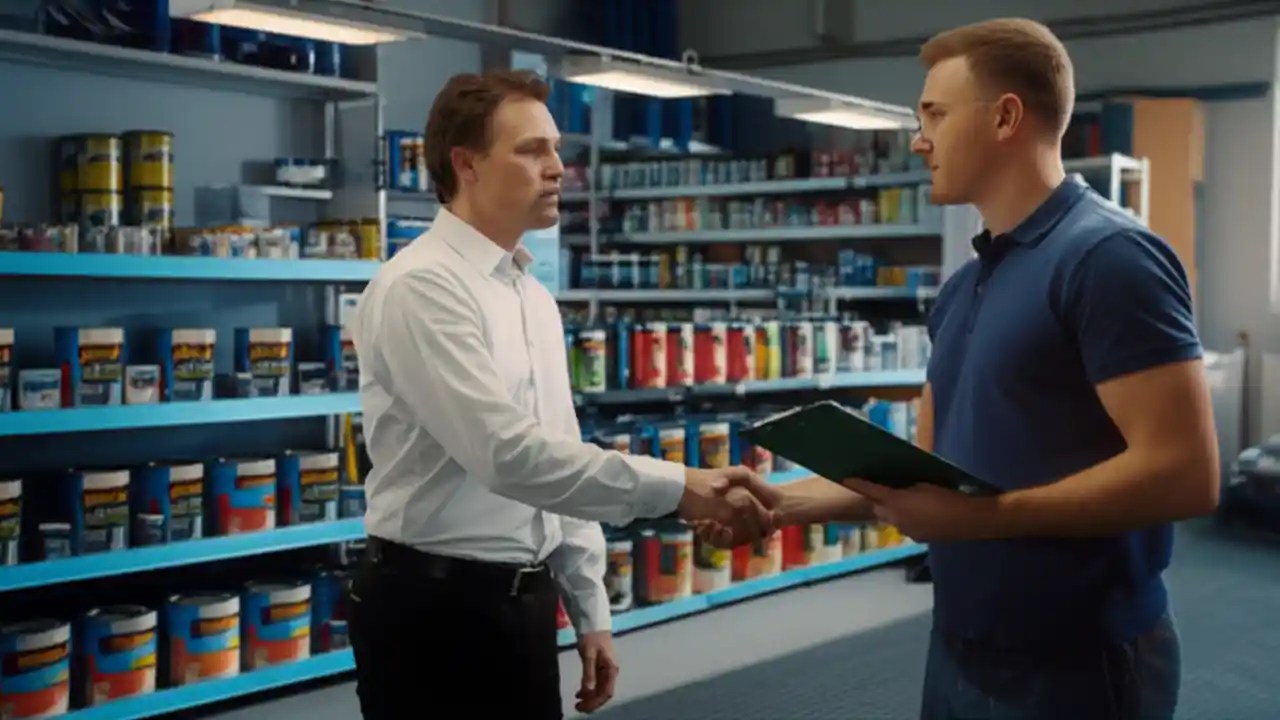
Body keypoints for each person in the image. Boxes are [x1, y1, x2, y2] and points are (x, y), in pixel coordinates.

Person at [698, 17, 1219, 720]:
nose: (918, 139)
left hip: (1080, 658)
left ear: (1006, 116)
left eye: (934, 115)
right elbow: (939, 471)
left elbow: (1186, 473)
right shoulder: (962, 287)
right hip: (960, 642)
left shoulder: (1109, 260)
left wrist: (989, 519)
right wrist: (781, 502)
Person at [345, 69, 776, 720]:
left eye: (556, 149)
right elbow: (507, 456)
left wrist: (589, 608)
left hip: (519, 601)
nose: (557, 168)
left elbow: (558, 455)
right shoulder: (421, 288)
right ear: (466, 164)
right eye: (531, 150)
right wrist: (683, 487)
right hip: (432, 610)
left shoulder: (531, 295)